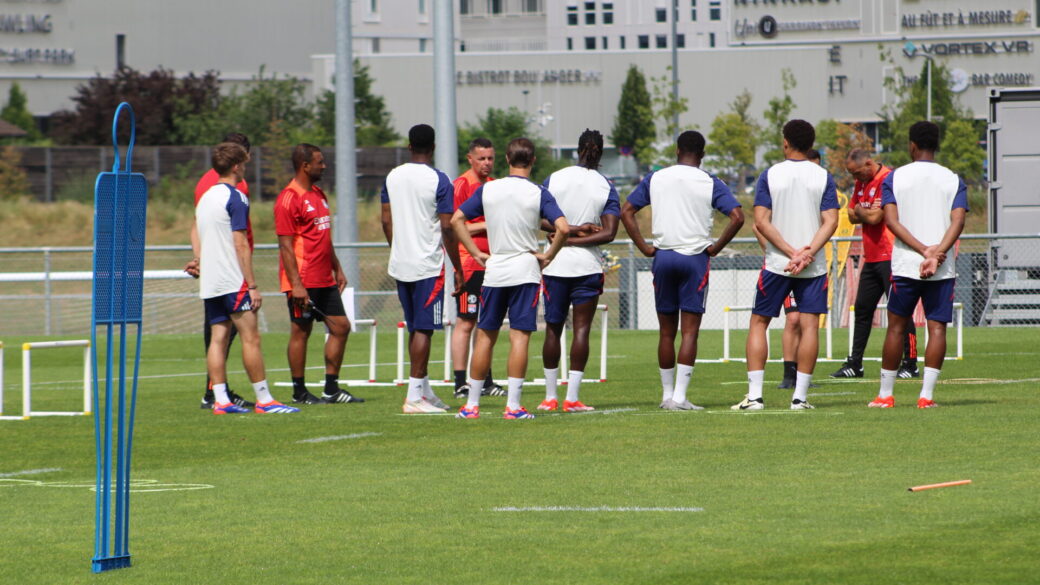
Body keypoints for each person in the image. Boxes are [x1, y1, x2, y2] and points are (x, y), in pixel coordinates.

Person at [621, 130, 744, 410]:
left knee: (666, 332)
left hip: (663, 256)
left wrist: (643, 246)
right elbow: (738, 216)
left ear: (677, 151)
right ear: (702, 154)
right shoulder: (709, 181)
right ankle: (680, 397)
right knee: (689, 333)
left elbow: (626, 210)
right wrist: (716, 247)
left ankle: (666, 397)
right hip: (694, 259)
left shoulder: (657, 177)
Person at [451, 137, 569, 420]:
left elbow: (456, 220)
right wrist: (548, 255)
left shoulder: (489, 188)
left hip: (495, 271)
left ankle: (471, 406)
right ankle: (513, 406)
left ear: (505, 159)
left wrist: (474, 253)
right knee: (519, 338)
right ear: (533, 161)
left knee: (485, 337)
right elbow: (562, 227)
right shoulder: (538, 192)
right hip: (525, 271)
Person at [733, 120, 839, 411]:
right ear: (811, 143)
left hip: (777, 263)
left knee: (759, 322)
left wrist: (790, 252)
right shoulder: (823, 175)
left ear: (785, 142)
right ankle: (800, 398)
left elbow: (761, 221)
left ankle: (754, 397)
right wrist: (806, 254)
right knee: (810, 327)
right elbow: (831, 220)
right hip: (812, 266)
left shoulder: (771, 174)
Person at [195, 142, 298, 415]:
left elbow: (199, 233)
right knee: (251, 338)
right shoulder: (236, 197)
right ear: (236, 166)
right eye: (245, 163)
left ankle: (221, 400)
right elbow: (240, 244)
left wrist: (199, 261)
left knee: (218, 338)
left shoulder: (206, 197)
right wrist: (252, 285)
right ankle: (264, 400)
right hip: (232, 280)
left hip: (211, 281)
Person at [870, 121, 967, 409]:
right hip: (941, 267)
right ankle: (926, 397)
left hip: (905, 265)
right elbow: (958, 221)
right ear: (936, 145)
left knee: (896, 328)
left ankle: (885, 395)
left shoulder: (895, 177)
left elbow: (891, 221)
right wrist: (937, 254)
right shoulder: (953, 178)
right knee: (937, 329)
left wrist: (923, 250)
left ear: (912, 145)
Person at [381, 124, 464, 414]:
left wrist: (397, 246)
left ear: (409, 146)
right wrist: (458, 267)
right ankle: (414, 396)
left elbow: (386, 220)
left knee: (415, 327)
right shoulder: (439, 179)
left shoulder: (392, 176)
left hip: (401, 262)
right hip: (428, 265)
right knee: (425, 330)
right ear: (434, 147)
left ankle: (424, 390)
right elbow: (446, 226)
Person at [537, 129, 620, 413]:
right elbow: (609, 233)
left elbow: (540, 218)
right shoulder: (606, 184)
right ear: (601, 151)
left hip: (555, 263)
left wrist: (566, 236)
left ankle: (549, 398)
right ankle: (572, 398)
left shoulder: (555, 178)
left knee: (553, 328)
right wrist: (579, 234)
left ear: (577, 149)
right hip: (587, 266)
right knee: (581, 330)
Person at [275, 144, 364, 405]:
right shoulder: (288, 199)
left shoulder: (318, 194)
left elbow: (323, 237)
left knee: (341, 327)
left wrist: (337, 267)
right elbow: (285, 246)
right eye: (319, 162)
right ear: (305, 166)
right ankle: (299, 391)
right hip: (302, 279)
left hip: (324, 276)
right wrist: (297, 285)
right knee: (300, 331)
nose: (324, 166)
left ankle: (331, 389)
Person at [830, 148, 919, 379]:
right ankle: (855, 363)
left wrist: (861, 210)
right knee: (862, 309)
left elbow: (875, 217)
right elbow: (850, 215)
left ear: (869, 163)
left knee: (900, 311)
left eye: (857, 173)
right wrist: (861, 210)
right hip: (871, 256)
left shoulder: (888, 179)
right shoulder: (862, 183)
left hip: (890, 255)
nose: (854, 179)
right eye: (852, 175)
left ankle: (910, 363)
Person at [184, 132, 255, 410]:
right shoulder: (217, 185)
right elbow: (199, 224)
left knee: (222, 334)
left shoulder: (219, 183)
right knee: (227, 334)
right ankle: (216, 392)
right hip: (227, 271)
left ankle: (217, 393)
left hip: (226, 266)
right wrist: (202, 258)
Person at [450, 138, 505, 398]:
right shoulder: (461, 185)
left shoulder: (495, 186)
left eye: (490, 158)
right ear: (470, 158)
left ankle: (484, 380)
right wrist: (485, 226)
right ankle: (460, 382)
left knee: (488, 323)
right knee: (466, 322)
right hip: (469, 263)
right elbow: (454, 225)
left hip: (493, 262)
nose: (487, 163)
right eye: (481, 158)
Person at [767, 148, 822, 390]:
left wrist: (809, 253)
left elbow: (829, 222)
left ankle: (803, 377)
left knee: (808, 321)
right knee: (793, 319)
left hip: (811, 264)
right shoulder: (781, 182)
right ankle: (789, 373)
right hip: (786, 265)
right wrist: (787, 253)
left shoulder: (819, 186)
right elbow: (761, 223)